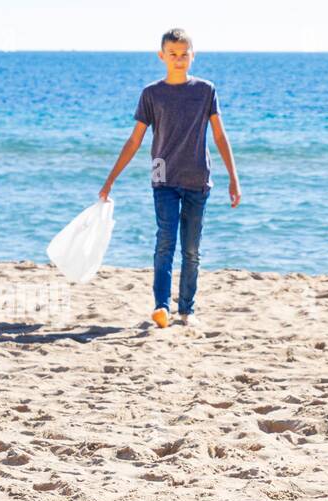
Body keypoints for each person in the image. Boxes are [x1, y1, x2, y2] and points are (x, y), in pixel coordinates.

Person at [99, 27, 241, 328]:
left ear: (193, 55)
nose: (179, 59)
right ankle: (161, 307)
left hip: (197, 178)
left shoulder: (205, 91)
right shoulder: (152, 94)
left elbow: (219, 135)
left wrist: (233, 177)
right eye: (173, 54)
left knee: (191, 249)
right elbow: (135, 140)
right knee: (165, 242)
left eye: (184, 54)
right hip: (163, 177)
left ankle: (187, 310)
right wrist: (111, 179)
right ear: (161, 56)